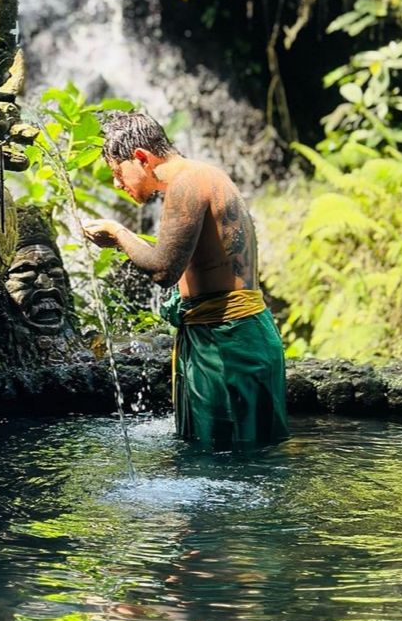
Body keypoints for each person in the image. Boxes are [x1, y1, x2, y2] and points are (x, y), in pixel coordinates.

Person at [82, 111, 288, 448]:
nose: (118, 185)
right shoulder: (203, 176)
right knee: (241, 463)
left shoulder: (186, 184)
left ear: (141, 158)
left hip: (227, 341)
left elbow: (164, 270)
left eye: (118, 173)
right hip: (236, 334)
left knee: (223, 466)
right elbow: (185, 257)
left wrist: (119, 233)